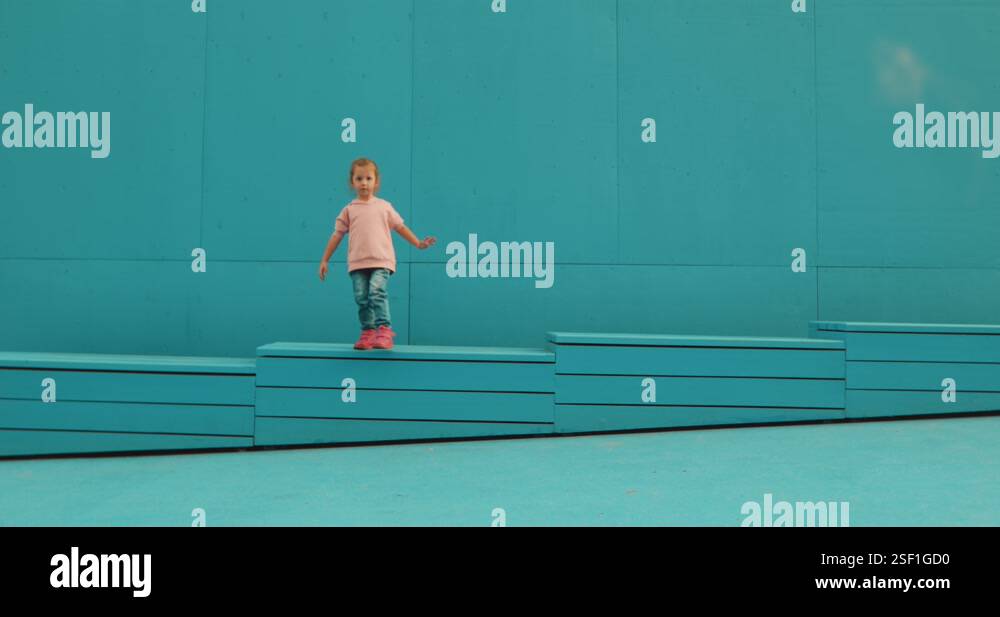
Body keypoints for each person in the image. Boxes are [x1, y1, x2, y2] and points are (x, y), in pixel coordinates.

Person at [318, 158, 436, 350]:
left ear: (376, 182)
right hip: (357, 263)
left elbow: (400, 227)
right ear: (352, 182)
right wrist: (325, 259)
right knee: (361, 297)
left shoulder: (384, 206)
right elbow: (337, 235)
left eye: (368, 178)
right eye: (359, 178)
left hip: (381, 261)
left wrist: (418, 243)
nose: (364, 182)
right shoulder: (349, 210)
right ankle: (368, 332)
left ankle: (384, 330)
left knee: (376, 291)